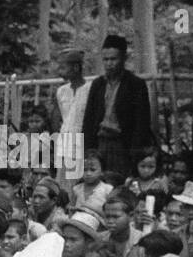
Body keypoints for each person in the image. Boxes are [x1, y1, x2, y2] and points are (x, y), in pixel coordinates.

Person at [82, 35, 154, 178]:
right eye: (106, 59)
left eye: (113, 59)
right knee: (98, 184)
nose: (109, 64)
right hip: (100, 142)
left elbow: (141, 122)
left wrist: (135, 151)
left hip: (122, 144)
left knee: (120, 183)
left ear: (123, 58)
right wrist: (88, 149)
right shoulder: (98, 84)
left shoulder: (135, 85)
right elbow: (89, 119)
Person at [52, 47, 91, 183]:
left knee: (80, 180)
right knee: (63, 180)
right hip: (65, 141)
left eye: (63, 67)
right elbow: (58, 119)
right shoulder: (61, 91)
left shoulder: (90, 89)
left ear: (75, 67)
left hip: (83, 141)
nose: (60, 71)